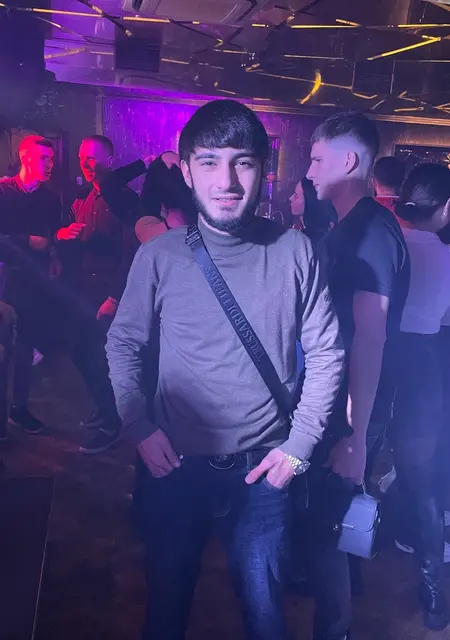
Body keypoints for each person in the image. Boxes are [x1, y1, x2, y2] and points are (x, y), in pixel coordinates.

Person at [106, 99, 345, 640]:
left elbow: (327, 352)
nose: (228, 181)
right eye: (210, 162)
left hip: (263, 472)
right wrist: (137, 425)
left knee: (265, 620)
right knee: (165, 613)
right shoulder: (161, 255)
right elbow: (124, 342)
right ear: (187, 172)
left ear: (263, 170)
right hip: (174, 468)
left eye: (243, 162)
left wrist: (300, 445)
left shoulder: (295, 251)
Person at [305, 112, 410, 640]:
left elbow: (370, 336)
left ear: (348, 161)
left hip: (348, 407)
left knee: (327, 527)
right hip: (339, 400)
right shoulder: (353, 225)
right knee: (327, 524)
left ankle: (335, 630)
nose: (309, 170)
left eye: (316, 159)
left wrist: (355, 436)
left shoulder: (368, 230)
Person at [392, 163, 450, 630]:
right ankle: (433, 597)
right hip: (424, 370)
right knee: (424, 480)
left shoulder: (387, 244)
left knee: (349, 469)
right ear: (446, 208)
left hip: (376, 361)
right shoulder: (447, 255)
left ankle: (339, 576)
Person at [57, 135, 137, 453]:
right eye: (82, 157)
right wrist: (66, 236)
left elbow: (133, 254)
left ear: (110, 161)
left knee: (100, 358)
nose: (85, 164)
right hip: (84, 288)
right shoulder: (84, 197)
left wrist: (115, 297)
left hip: (110, 292)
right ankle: (104, 410)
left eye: (92, 158)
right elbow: (74, 245)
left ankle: (112, 424)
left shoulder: (124, 199)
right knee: (80, 353)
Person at [0, 135, 61, 433]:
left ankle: (19, 408)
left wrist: (54, 254)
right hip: (4, 278)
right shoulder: (3, 191)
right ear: (25, 158)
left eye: (51, 159)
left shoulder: (50, 199)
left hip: (33, 280)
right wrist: (27, 241)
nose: (49, 165)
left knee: (26, 345)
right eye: (43, 158)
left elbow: (51, 235)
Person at [289, 177, 336, 243]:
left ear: (310, 200)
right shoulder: (298, 228)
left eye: (296, 196)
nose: (290, 198)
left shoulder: (314, 241)